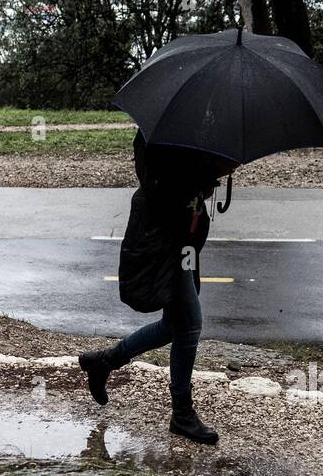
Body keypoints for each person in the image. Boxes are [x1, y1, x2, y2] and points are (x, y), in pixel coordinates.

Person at [78, 133, 238, 445]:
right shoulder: (160, 135)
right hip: (167, 240)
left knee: (172, 326)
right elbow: (163, 186)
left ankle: (104, 362)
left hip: (181, 237)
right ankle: (181, 414)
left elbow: (183, 184)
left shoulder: (189, 123)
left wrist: (211, 173)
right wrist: (204, 177)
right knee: (189, 326)